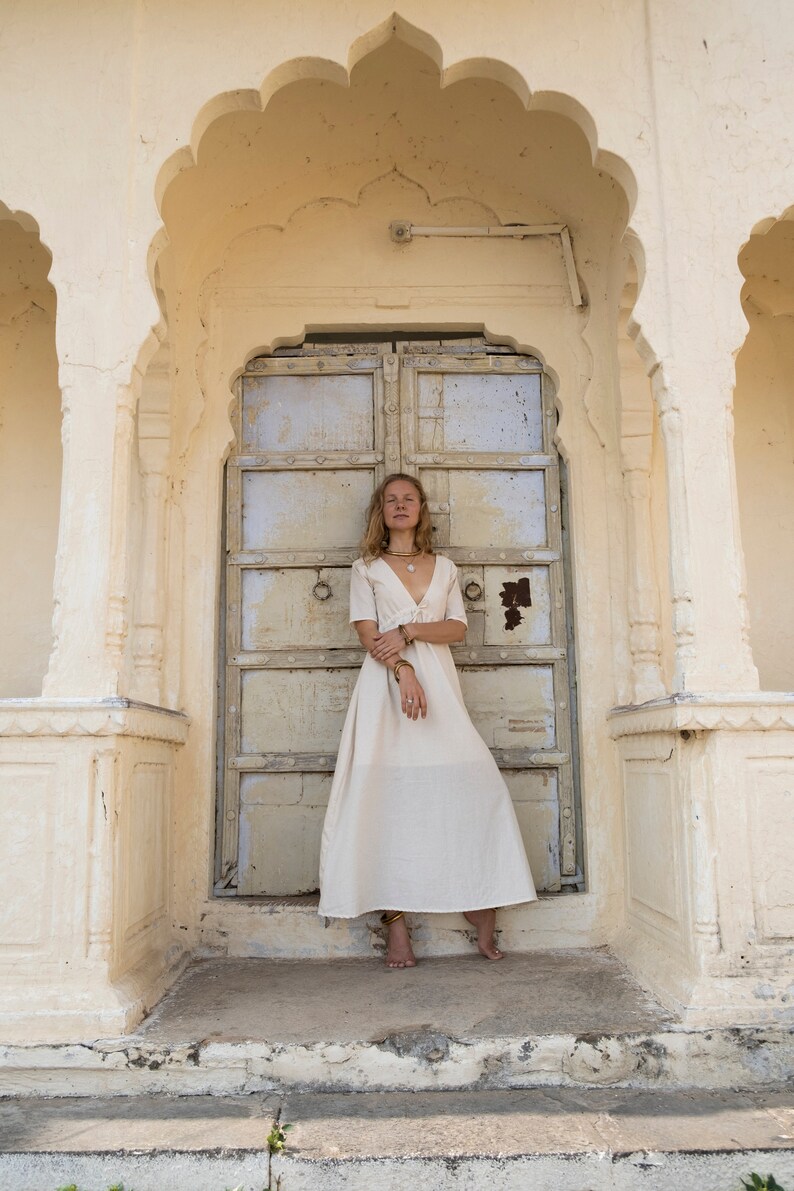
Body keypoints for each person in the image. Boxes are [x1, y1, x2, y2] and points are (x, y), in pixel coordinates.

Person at [318, 473, 537, 968]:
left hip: (441, 695)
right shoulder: (366, 569)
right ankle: (397, 932)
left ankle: (480, 904)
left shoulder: (445, 568)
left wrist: (410, 630)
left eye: (409, 499)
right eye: (391, 499)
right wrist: (402, 670)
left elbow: (457, 627)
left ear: (421, 509)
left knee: (478, 789)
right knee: (386, 804)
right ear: (381, 510)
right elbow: (368, 635)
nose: (400, 506)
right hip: (385, 695)